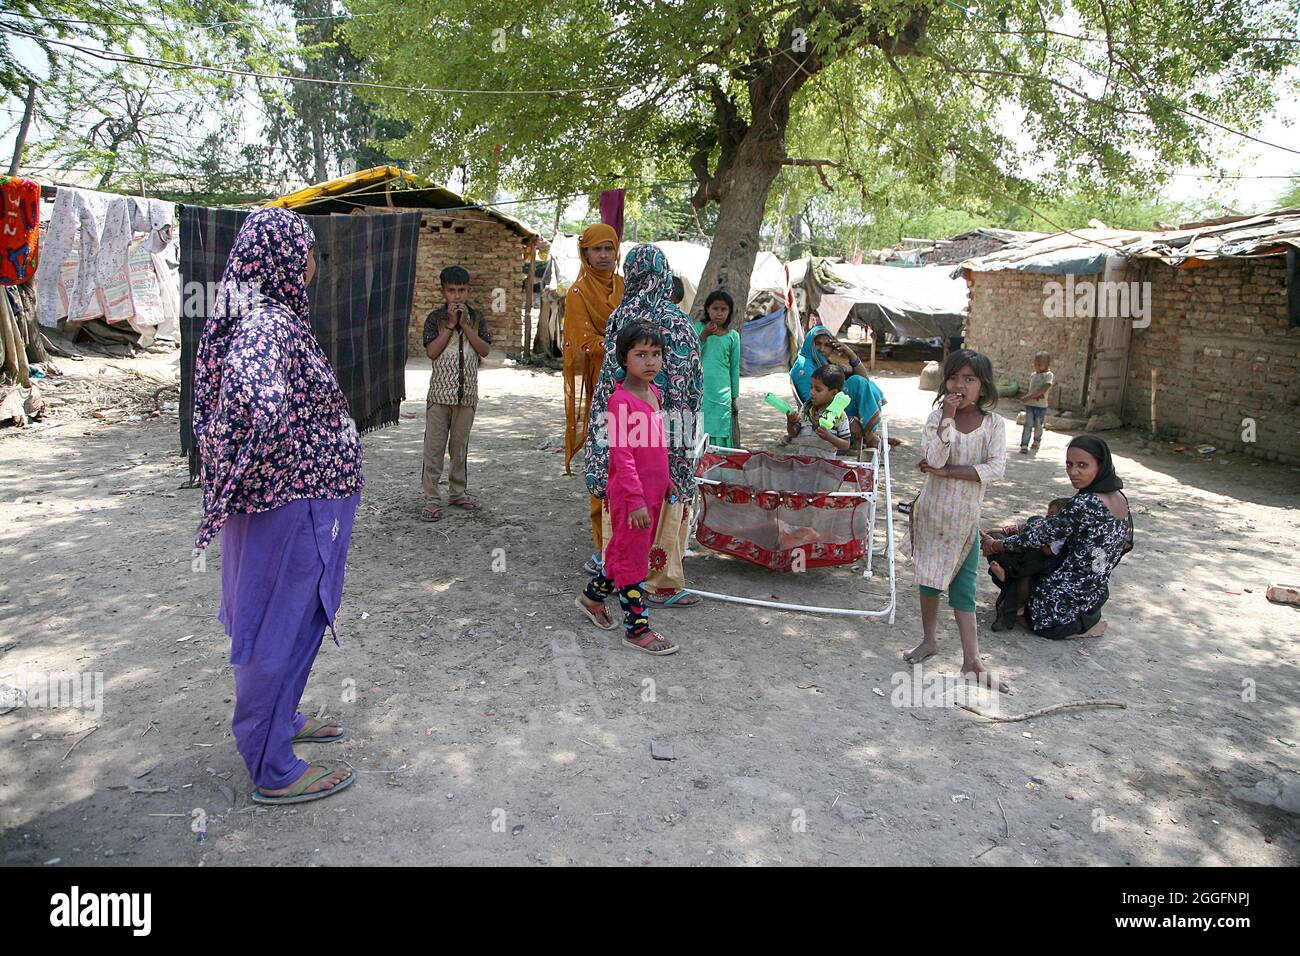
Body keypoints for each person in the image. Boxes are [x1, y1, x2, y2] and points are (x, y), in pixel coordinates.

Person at [193, 207, 361, 806]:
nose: (314, 261)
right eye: (308, 249)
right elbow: (253, 402)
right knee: (276, 624)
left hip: (292, 502)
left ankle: (281, 719)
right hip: (288, 506)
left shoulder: (263, 314)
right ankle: (272, 767)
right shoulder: (267, 322)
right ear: (284, 256)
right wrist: (279, 460)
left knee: (292, 618)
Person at [585, 244, 704, 609]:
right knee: (659, 501)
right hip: (673, 431)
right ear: (665, 274)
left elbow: (608, 380)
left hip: (628, 427)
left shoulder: (622, 318)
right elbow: (695, 384)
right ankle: (662, 581)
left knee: (629, 495)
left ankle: (616, 572)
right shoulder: (682, 322)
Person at [901, 349, 1008, 692]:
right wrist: (947, 415)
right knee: (929, 580)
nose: (960, 385)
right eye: (954, 377)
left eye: (969, 379)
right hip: (933, 513)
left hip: (965, 520)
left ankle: (971, 660)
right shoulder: (936, 418)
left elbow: (995, 468)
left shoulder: (994, 425)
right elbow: (934, 456)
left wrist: (948, 472)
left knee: (963, 588)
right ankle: (929, 640)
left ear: (983, 386)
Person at [575, 324, 677, 654]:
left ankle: (592, 598)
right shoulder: (620, 402)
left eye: (656, 354)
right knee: (633, 560)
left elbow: (656, 446)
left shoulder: (654, 393)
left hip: (652, 492)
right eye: (641, 354)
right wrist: (635, 501)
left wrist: (666, 478)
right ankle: (637, 629)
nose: (650, 361)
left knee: (624, 552)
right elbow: (622, 455)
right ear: (624, 357)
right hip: (631, 496)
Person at [982, 435, 1133, 638]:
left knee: (1006, 552)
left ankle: (1023, 606)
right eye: (1069, 464)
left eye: (1082, 465)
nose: (1073, 472)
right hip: (1094, 591)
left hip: (1065, 595)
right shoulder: (1119, 498)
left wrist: (997, 545)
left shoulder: (1087, 503)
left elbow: (1037, 538)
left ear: (1101, 464)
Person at [563, 224, 624, 573]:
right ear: (584, 253)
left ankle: (628, 538)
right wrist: (616, 346)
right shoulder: (577, 293)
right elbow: (580, 342)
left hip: (633, 385)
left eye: (608, 249)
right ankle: (603, 547)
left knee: (630, 462)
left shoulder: (625, 288)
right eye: (596, 249)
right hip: (601, 385)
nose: (603, 256)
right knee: (603, 463)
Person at [420, 265, 491, 521]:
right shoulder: (434, 319)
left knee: (460, 448)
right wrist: (451, 325)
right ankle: (431, 497)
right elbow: (431, 352)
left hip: (467, 396)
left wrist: (466, 326)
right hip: (439, 396)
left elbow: (484, 350)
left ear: (468, 291)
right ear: (443, 292)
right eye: (451, 291)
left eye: (461, 290)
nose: (457, 296)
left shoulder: (477, 317)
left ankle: (457, 492)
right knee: (434, 448)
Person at [790, 324, 889, 451]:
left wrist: (851, 354)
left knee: (864, 384)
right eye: (818, 344)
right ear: (810, 344)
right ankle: (867, 434)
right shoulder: (804, 366)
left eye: (827, 345)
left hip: (832, 405)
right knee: (857, 382)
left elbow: (865, 379)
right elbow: (810, 401)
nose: (822, 349)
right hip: (824, 412)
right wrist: (848, 420)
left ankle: (866, 432)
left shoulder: (824, 364)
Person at [984, 497, 1071, 630]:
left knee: (1031, 560)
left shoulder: (1061, 536)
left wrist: (1038, 539)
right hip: (1022, 556)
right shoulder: (1041, 523)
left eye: (1053, 514)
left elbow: (1048, 552)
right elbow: (1020, 532)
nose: (1048, 516)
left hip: (1036, 564)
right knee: (995, 537)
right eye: (1048, 513)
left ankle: (1007, 576)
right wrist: (1004, 531)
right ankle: (1006, 571)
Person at [695, 290, 741, 448]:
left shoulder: (733, 336)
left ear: (729, 312)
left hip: (723, 394)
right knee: (701, 428)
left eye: (724, 309)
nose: (719, 313)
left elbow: (734, 369)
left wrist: (734, 397)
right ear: (707, 309)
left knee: (721, 427)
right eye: (715, 308)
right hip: (701, 391)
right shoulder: (699, 328)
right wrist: (704, 335)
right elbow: (691, 356)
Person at [785, 364, 852, 458]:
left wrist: (829, 437)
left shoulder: (839, 415)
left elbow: (846, 445)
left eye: (818, 389)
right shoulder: (806, 409)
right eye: (811, 387)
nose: (812, 392)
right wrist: (790, 423)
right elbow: (793, 434)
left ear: (834, 393)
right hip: (802, 463)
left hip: (825, 467)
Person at [1019, 350, 1054, 453]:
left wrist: (1029, 396)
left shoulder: (1048, 375)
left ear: (1047, 365)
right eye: (1035, 364)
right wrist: (1030, 397)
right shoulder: (1033, 375)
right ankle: (1024, 444)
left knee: (1038, 425)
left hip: (1041, 406)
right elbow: (1033, 389)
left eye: (1039, 365)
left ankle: (1036, 441)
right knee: (1028, 424)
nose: (1037, 367)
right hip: (1030, 405)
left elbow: (1044, 389)